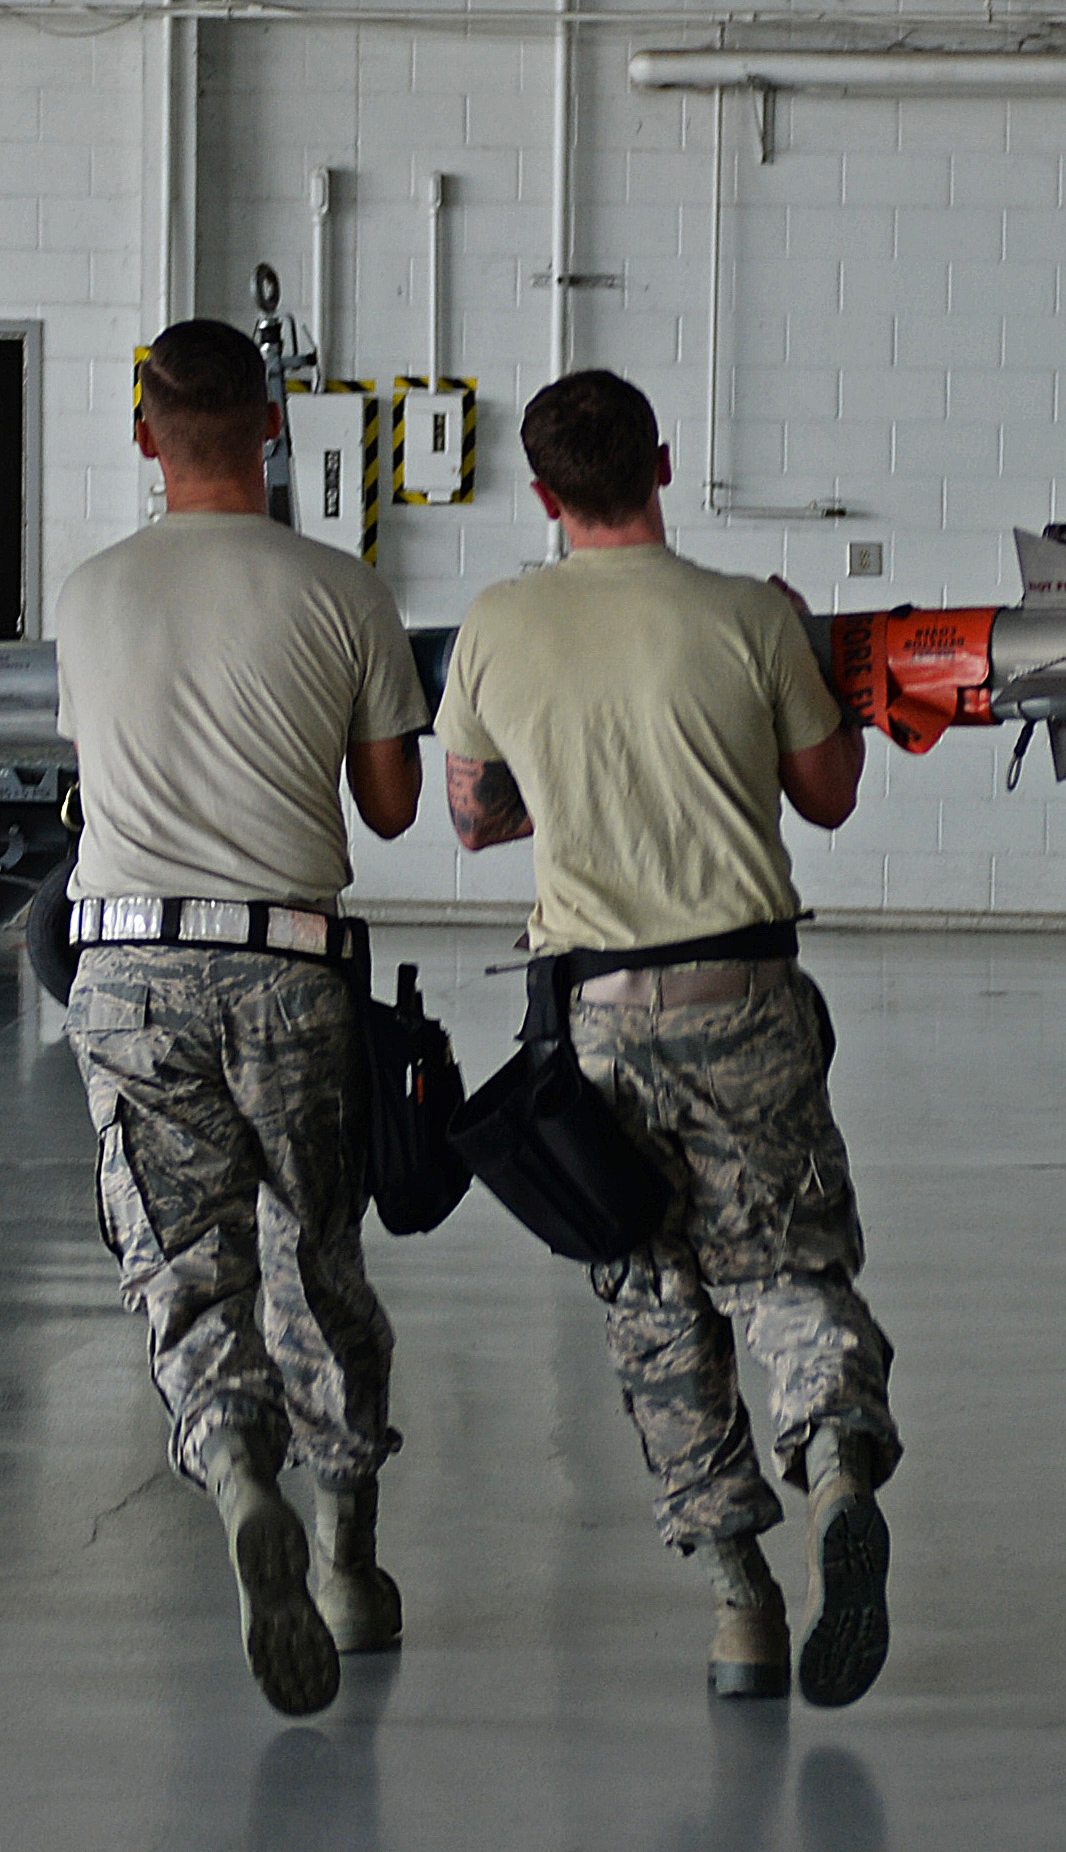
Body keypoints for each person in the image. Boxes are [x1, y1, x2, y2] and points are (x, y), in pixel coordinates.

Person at [434, 367, 900, 1707]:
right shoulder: (754, 616)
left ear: (541, 493)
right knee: (788, 1267)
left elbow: (471, 819)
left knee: (654, 1300)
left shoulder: (497, 623)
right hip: (746, 999)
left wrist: (583, 790)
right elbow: (829, 795)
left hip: (599, 1019)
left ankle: (739, 1605)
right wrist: (787, 689)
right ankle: (837, 1461)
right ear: (665, 462)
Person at [52, 316, 430, 1718]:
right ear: (274, 429)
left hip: (130, 962)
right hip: (287, 959)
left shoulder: (88, 597)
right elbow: (388, 806)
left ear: (145, 435)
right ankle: (346, 1560)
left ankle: (233, 1474)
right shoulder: (343, 590)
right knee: (313, 1251)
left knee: (184, 1260)